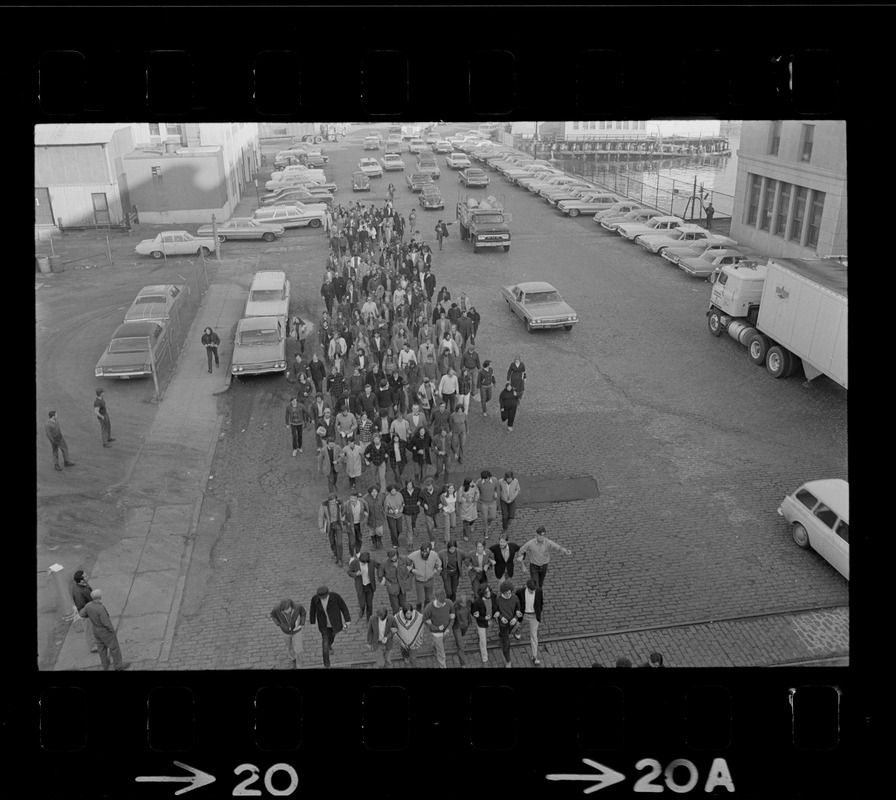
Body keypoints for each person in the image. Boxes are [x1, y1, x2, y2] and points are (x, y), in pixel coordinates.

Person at [79, 589, 130, 671]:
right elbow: (105, 622)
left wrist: (91, 616)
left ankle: (105, 665)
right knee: (114, 648)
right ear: (100, 597)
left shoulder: (88, 605)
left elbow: (82, 614)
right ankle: (118, 666)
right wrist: (111, 630)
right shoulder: (100, 608)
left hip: (96, 630)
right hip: (104, 631)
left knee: (101, 648)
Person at [309, 586, 351, 669]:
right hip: (323, 625)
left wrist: (347, 620)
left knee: (332, 636)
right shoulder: (315, 599)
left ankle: (329, 644)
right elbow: (312, 610)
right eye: (321, 598)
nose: (323, 599)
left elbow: (344, 607)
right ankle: (327, 664)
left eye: (324, 598)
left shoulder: (336, 597)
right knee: (325, 644)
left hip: (335, 623)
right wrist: (312, 622)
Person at [422, 587, 455, 669]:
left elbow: (452, 615)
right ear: (436, 598)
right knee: (441, 652)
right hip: (436, 633)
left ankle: (434, 647)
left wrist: (449, 628)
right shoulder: (429, 608)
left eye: (444, 602)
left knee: (441, 644)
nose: (443, 604)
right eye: (441, 603)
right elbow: (424, 619)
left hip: (446, 631)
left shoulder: (449, 603)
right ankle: (443, 666)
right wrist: (435, 627)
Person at [492, 580, 523, 668]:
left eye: (510, 593)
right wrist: (501, 617)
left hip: (512, 622)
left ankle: (501, 635)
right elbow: (496, 611)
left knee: (505, 634)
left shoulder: (515, 598)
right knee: (506, 643)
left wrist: (515, 618)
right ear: (502, 592)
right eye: (506, 593)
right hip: (503, 624)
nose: (508, 595)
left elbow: (518, 609)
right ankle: (508, 660)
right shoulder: (498, 599)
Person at [270, 599, 306, 668]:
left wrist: (301, 624)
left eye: (286, 610)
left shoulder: (298, 607)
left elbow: (303, 613)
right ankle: (293, 659)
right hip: (285, 631)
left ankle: (299, 665)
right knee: (289, 646)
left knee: (298, 650)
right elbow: (273, 615)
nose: (285, 612)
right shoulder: (277, 609)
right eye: (283, 612)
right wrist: (278, 623)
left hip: (297, 630)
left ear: (290, 606)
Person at [515, 578, 544, 665]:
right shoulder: (520, 592)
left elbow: (541, 602)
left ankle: (534, 656)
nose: (533, 592)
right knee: (520, 625)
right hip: (524, 615)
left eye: (534, 590)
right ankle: (518, 631)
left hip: (534, 616)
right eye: (531, 590)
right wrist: (518, 611)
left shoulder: (539, 591)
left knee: (534, 635)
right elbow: (517, 602)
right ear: (527, 587)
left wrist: (539, 611)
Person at [407, 543, 442, 610]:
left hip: (430, 580)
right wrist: (412, 570)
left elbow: (438, 563)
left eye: (426, 552)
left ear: (430, 551)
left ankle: (426, 611)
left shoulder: (434, 554)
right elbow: (405, 562)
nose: (424, 554)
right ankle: (418, 611)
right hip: (419, 581)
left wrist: (435, 570)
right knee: (420, 600)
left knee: (429, 598)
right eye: (423, 552)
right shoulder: (414, 555)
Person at [347, 550, 379, 623]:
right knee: (362, 603)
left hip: (369, 586)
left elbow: (379, 566)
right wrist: (356, 574)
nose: (363, 564)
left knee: (369, 604)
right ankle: (362, 609)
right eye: (362, 563)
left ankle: (369, 619)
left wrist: (381, 576)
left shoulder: (372, 562)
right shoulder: (354, 563)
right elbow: (349, 572)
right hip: (360, 586)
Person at [379, 548, 414, 614]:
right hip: (392, 588)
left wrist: (409, 578)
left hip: (403, 586)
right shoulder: (384, 563)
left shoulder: (404, 559)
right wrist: (386, 583)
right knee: (395, 607)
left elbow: (412, 567)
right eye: (391, 558)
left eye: (394, 557)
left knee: (403, 604)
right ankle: (395, 620)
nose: (393, 559)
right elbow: (380, 575)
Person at [71, 570, 97, 652]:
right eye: (85, 576)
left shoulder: (82, 584)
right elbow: (82, 606)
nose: (87, 576)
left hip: (90, 608)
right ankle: (93, 646)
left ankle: (95, 642)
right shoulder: (79, 592)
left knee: (92, 628)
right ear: (81, 580)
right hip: (87, 613)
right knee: (90, 629)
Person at [318, 493, 347, 567]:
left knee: (339, 542)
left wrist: (343, 516)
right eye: (331, 503)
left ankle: (340, 558)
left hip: (338, 524)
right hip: (330, 525)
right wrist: (321, 527)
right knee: (332, 541)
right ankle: (335, 554)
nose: (333, 504)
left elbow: (345, 509)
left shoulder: (340, 503)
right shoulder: (324, 505)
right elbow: (320, 515)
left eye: (334, 502)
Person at [471, 585, 493, 664]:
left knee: (486, 636)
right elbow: (474, 614)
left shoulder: (493, 597)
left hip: (490, 622)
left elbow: (495, 606)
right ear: (482, 593)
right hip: (481, 624)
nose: (488, 593)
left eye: (489, 591)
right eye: (486, 592)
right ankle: (484, 656)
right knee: (483, 641)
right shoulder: (477, 602)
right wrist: (484, 618)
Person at [474, 471, 498, 539]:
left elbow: (496, 488)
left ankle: (488, 522)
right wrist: (477, 497)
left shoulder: (494, 480)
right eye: (484, 478)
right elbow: (476, 490)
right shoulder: (479, 482)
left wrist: (496, 493)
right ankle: (486, 531)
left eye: (487, 478)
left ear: (489, 476)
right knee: (484, 517)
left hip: (492, 502)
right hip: (483, 502)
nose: (485, 480)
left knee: (493, 516)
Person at [362, 484, 386, 550]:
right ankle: (374, 543)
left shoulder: (381, 496)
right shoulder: (365, 498)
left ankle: (379, 541)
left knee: (379, 531)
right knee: (372, 531)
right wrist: (364, 512)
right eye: (372, 492)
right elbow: (362, 506)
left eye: (375, 491)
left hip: (379, 517)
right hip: (370, 518)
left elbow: (385, 504)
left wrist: (384, 510)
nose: (374, 493)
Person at [383, 483, 405, 549]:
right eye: (392, 491)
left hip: (399, 514)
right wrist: (390, 511)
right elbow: (386, 508)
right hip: (391, 516)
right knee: (393, 530)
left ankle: (395, 537)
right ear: (390, 491)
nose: (393, 492)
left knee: (399, 529)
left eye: (394, 490)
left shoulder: (399, 495)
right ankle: (395, 542)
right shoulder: (387, 498)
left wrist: (401, 509)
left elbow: (402, 503)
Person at [457, 478, 479, 542]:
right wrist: (466, 500)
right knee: (465, 522)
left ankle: (472, 524)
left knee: (473, 519)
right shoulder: (462, 489)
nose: (473, 483)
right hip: (465, 507)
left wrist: (475, 498)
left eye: (473, 482)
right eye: (471, 482)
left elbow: (477, 493)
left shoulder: (474, 486)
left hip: (472, 506)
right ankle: (466, 535)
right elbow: (459, 499)